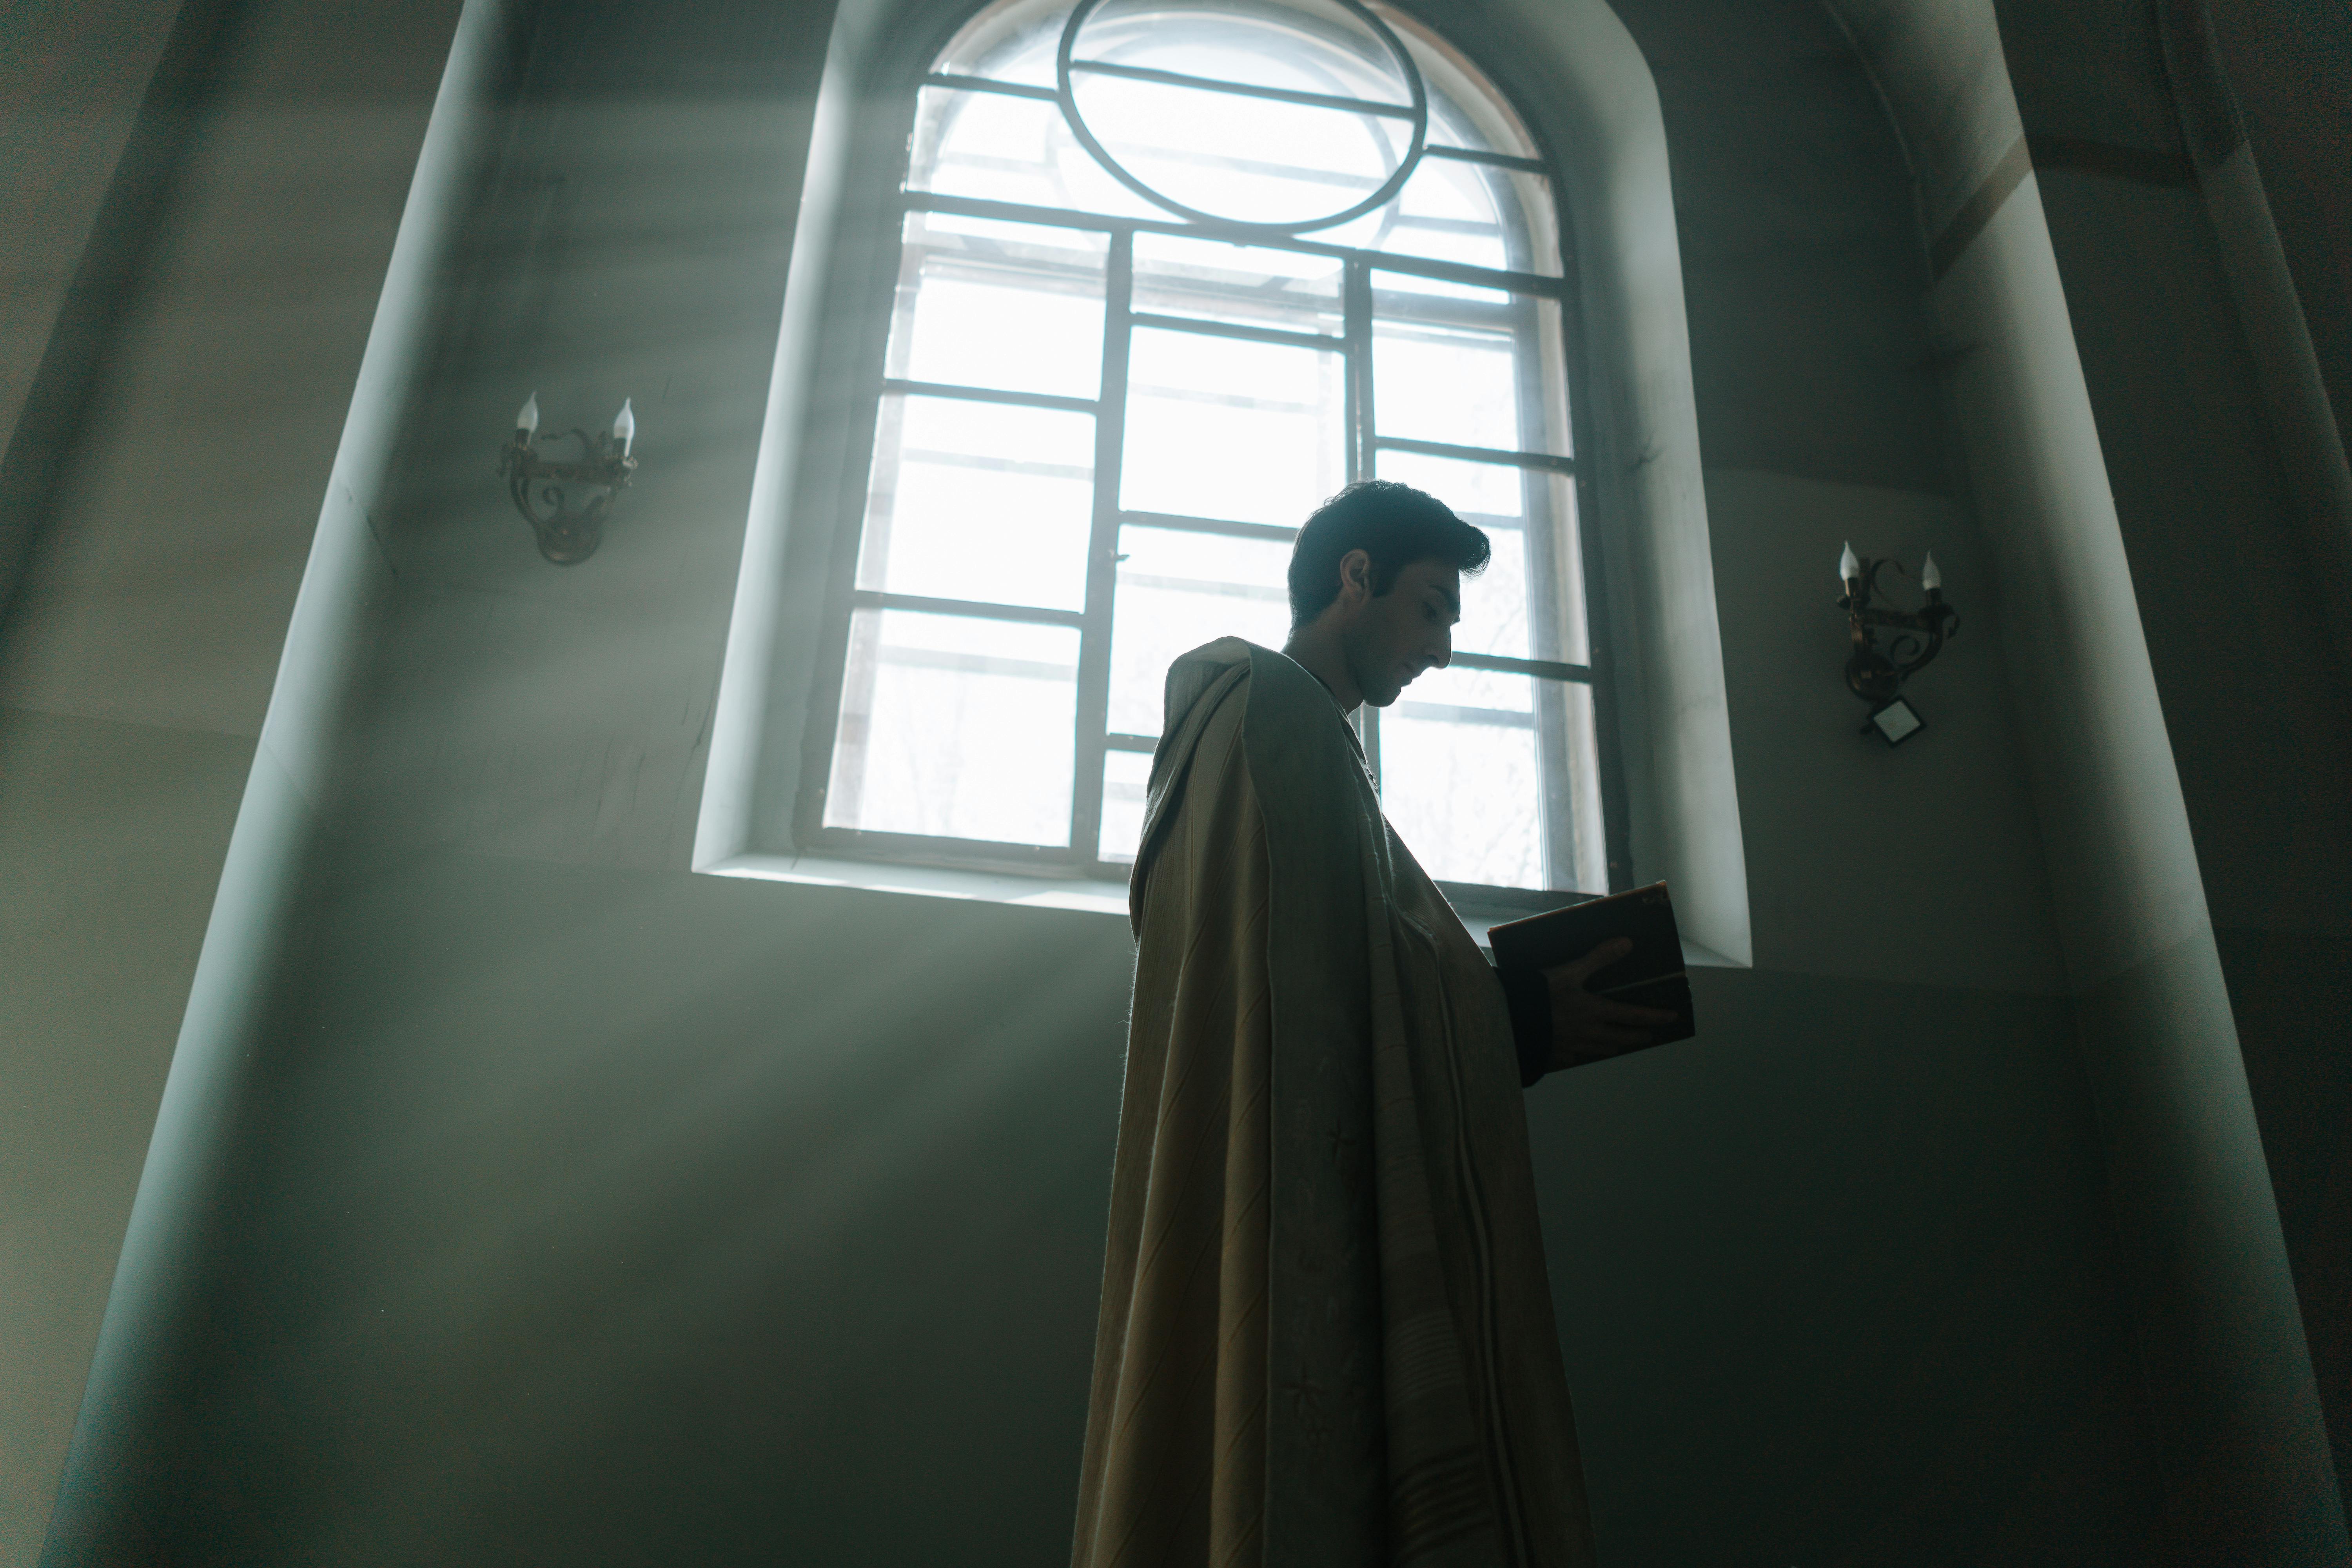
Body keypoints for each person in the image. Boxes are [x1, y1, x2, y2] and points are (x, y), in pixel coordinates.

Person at [1070, 481, 1675, 1568]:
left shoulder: (1306, 746)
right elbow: (1320, 982)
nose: (1441, 650)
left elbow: (1344, 973)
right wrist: (1523, 1010)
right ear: (1357, 579)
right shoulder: (1271, 713)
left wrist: (1513, 1011)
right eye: (1433, 608)